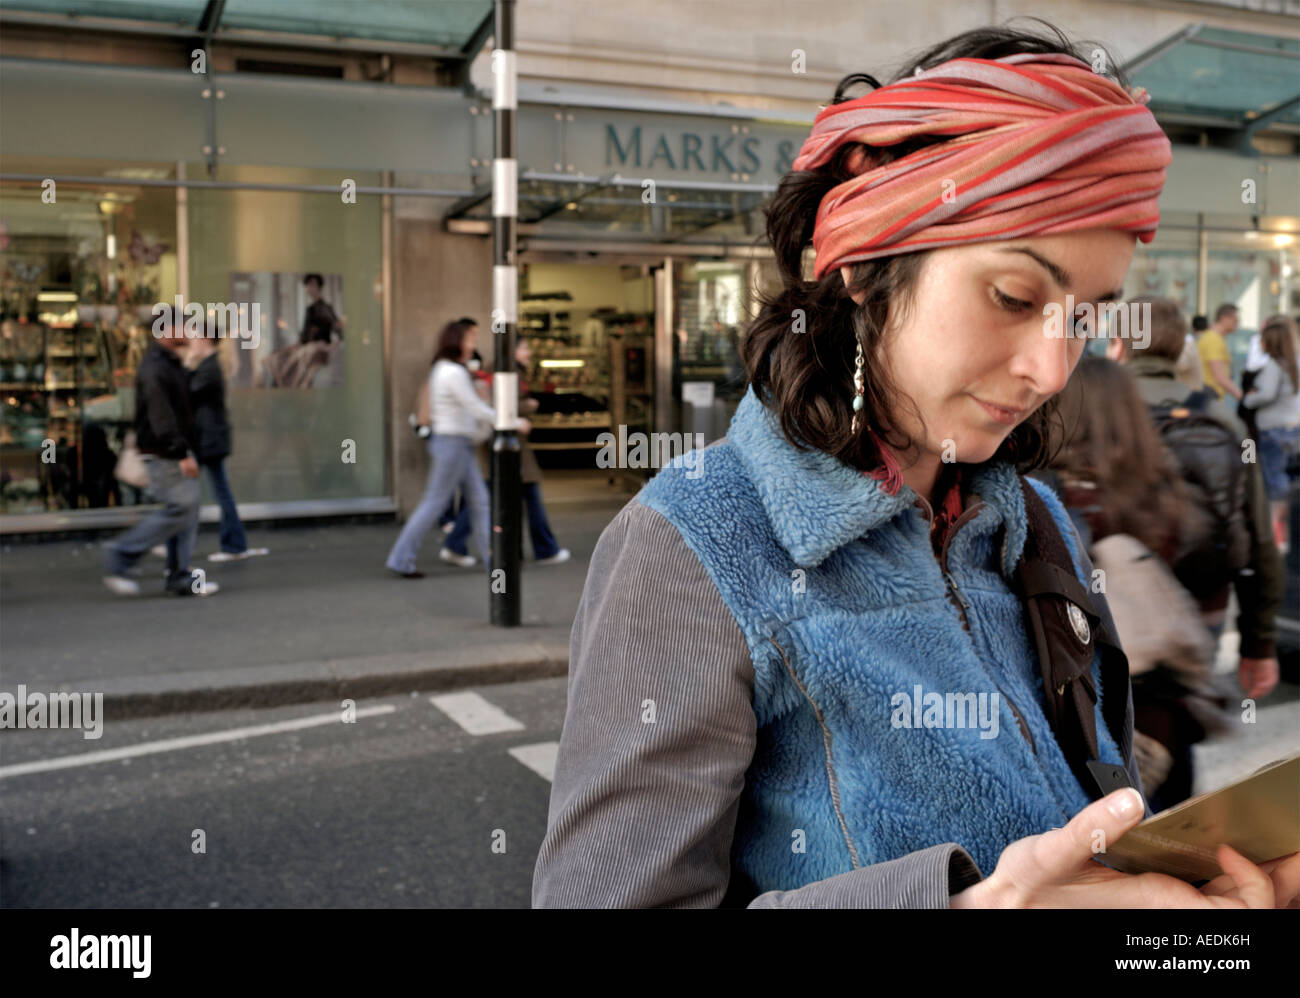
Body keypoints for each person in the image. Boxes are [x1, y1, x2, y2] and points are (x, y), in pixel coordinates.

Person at [532, 23, 1300, 909]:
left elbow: (1089, 855)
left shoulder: (1040, 521)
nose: (1052, 372)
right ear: (864, 268)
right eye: (1015, 296)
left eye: (1084, 315)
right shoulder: (694, 545)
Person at [1040, 356, 1227, 812]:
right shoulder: (1166, 496)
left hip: (1078, 720)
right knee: (1170, 844)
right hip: (1162, 722)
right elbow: (1208, 597)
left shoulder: (1041, 499)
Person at [1108, 298, 1282, 712]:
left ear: (1119, 343)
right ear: (1179, 347)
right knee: (1180, 720)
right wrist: (1258, 641)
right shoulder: (1221, 419)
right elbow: (1257, 535)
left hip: (1113, 612)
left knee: (1110, 736)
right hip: (1202, 604)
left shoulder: (1091, 412)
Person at [385, 320, 529, 578]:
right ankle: (401, 558)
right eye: (470, 338)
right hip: (452, 444)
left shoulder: (448, 370)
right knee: (439, 503)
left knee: (477, 502)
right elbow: (475, 408)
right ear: (457, 342)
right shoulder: (451, 372)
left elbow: (473, 408)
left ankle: (493, 562)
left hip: (456, 444)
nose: (474, 343)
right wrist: (512, 421)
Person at [103, 315, 219, 597]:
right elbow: (162, 416)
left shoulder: (169, 363)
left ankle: (179, 575)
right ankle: (121, 555)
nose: (189, 331)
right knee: (180, 508)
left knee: (186, 511)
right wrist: (181, 453)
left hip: (171, 450)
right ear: (165, 330)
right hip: (165, 452)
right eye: (182, 326)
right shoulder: (155, 368)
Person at [443, 337, 571, 566]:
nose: (529, 351)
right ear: (512, 349)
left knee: (491, 496)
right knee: (519, 493)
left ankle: (464, 544)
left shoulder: (505, 370)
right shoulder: (508, 373)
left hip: (504, 442)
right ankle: (542, 549)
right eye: (524, 347)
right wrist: (528, 407)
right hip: (507, 442)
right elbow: (504, 405)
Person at [187, 333, 269, 563]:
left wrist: (185, 364)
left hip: (209, 440)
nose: (190, 342)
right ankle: (233, 544)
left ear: (205, 340)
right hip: (210, 439)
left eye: (194, 338)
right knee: (214, 491)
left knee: (192, 493)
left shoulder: (209, 369)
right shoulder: (209, 366)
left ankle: (180, 542)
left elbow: (188, 391)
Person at [1242, 315, 1300, 548]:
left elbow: (1264, 394)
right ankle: (1289, 532)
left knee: (1274, 483)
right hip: (1293, 429)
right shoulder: (1293, 363)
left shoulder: (1274, 366)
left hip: (1273, 432)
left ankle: (1275, 536)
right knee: (1291, 481)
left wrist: (1248, 398)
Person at [1197, 302, 1240, 402]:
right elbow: (1219, 375)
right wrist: (1241, 396)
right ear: (1224, 318)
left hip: (1211, 397)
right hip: (1209, 398)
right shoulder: (1213, 339)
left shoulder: (1214, 338)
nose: (1237, 323)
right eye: (1235, 320)